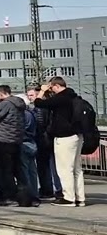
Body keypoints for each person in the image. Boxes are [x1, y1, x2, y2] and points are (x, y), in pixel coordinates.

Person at [32, 77, 85, 207]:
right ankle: (80, 197)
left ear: (56, 86)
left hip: (64, 137)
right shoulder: (73, 96)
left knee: (65, 169)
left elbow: (38, 103)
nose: (50, 90)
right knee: (77, 169)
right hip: (77, 136)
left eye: (51, 87)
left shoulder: (61, 98)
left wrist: (42, 91)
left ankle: (68, 198)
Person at [0, 85, 25, 206]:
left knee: (6, 171)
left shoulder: (6, 103)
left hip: (4, 141)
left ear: (1, 94)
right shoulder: (19, 103)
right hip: (16, 140)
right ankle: (25, 196)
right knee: (18, 170)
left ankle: (9, 196)